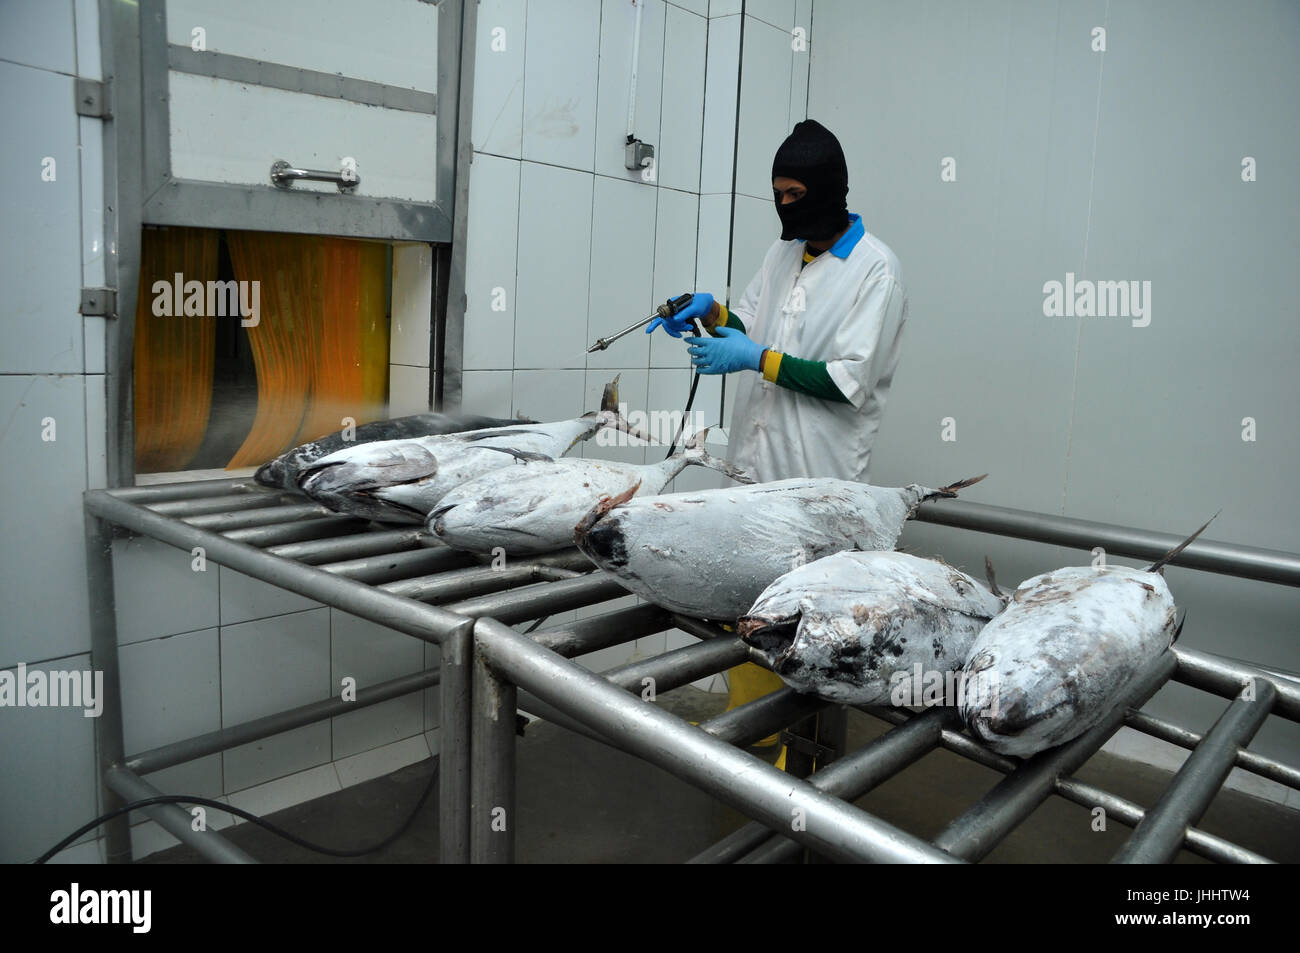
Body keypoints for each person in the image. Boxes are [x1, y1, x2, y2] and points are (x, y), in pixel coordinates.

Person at [648, 119, 908, 485]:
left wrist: (756, 359)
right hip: (750, 467)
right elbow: (750, 328)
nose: (784, 204)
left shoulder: (877, 270)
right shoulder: (783, 252)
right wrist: (710, 312)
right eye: (778, 194)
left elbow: (848, 381)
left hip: (819, 480)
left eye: (796, 194)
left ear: (827, 190)